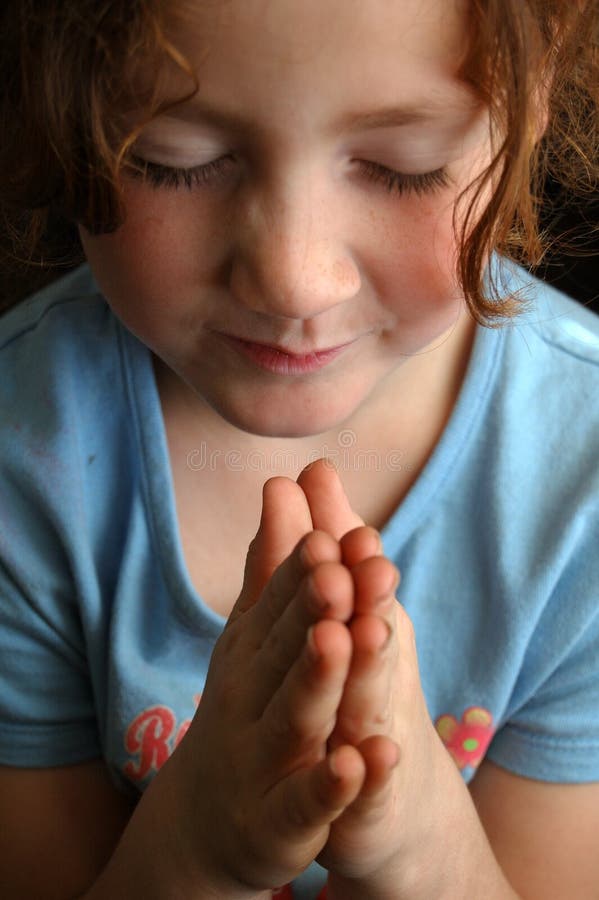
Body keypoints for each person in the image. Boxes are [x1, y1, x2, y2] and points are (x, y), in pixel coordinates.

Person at [0, 1, 598, 898]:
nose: (292, 277)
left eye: (405, 169)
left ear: (535, 92)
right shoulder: (24, 458)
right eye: (174, 163)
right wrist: (199, 851)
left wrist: (415, 843)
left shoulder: (579, 476)